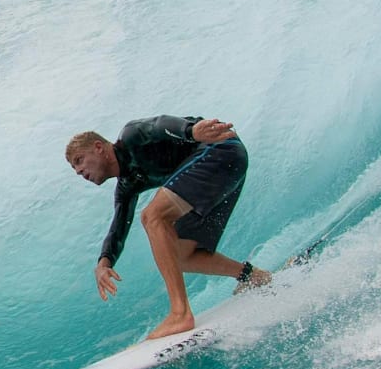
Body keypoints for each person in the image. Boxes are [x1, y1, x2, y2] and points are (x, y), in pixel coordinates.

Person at [65, 115, 271, 339]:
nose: (78, 171)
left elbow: (159, 126)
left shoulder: (131, 135)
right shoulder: (127, 185)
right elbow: (118, 228)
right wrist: (104, 263)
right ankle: (252, 276)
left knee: (153, 216)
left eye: (79, 160)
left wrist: (191, 131)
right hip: (227, 169)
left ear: (98, 147)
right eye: (74, 168)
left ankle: (180, 313)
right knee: (181, 256)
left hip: (220, 150)